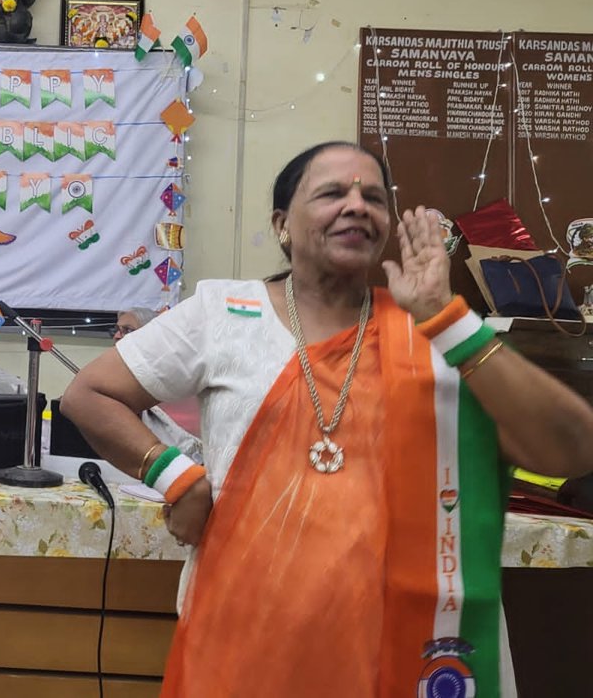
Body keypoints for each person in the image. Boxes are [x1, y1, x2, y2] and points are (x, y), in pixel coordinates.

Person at [63, 141, 593, 696]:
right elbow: (90, 393)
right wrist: (175, 476)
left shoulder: (434, 332)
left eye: (372, 197)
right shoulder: (222, 312)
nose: (357, 205)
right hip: (250, 639)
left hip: (403, 650)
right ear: (282, 223)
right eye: (332, 193)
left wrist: (447, 319)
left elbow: (571, 450)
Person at [114, 307, 201, 457]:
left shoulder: (175, 383)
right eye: (117, 329)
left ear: (151, 337)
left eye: (127, 330)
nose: (116, 336)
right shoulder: (113, 380)